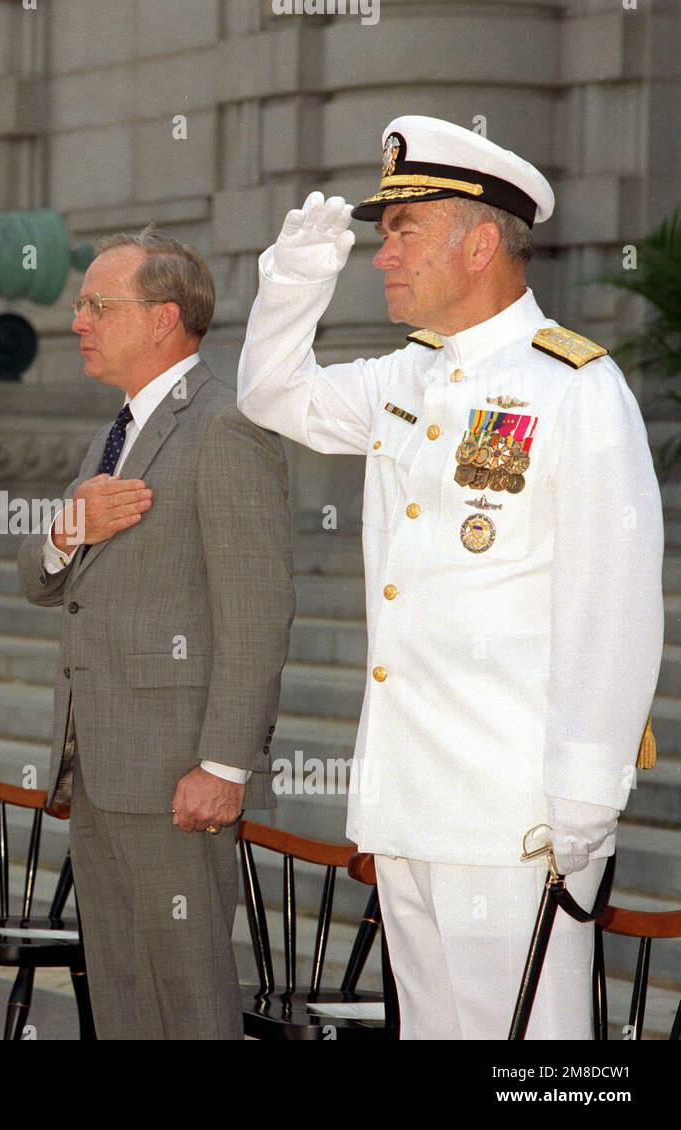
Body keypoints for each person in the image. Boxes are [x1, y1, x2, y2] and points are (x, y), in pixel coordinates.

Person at [236, 115, 663, 1039]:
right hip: (411, 797)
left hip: (516, 811)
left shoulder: (575, 388)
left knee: (536, 1059)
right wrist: (295, 280)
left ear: (479, 244)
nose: (380, 254)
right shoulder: (410, 375)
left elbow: (614, 605)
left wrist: (585, 796)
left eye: (403, 231)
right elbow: (271, 395)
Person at [18, 229, 293, 1039]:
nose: (79, 322)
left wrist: (222, 764)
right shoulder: (122, 429)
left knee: (187, 991)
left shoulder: (225, 425)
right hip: (100, 762)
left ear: (166, 317)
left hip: (176, 772)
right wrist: (69, 527)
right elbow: (40, 581)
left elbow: (257, 611)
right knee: (122, 987)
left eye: (100, 306)